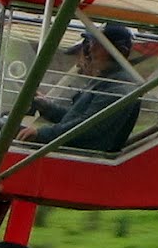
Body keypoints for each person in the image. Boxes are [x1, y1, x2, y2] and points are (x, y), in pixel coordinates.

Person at [16, 23, 138, 152]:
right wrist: (46, 107)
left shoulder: (118, 87)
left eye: (99, 44)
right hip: (78, 152)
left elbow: (88, 127)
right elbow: (77, 118)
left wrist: (42, 134)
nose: (91, 49)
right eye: (92, 43)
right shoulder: (107, 81)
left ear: (119, 51)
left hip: (87, 158)